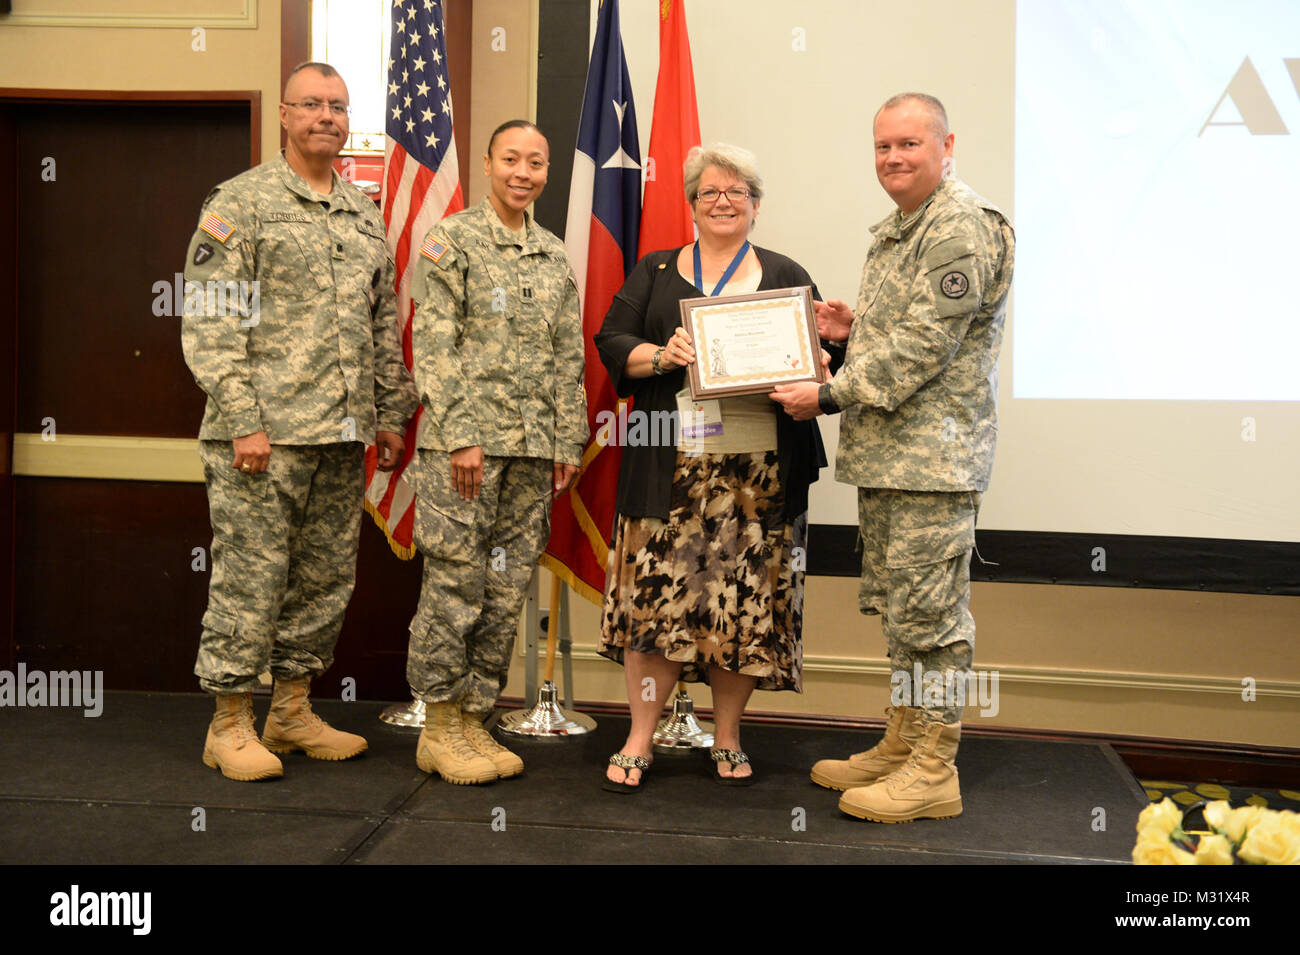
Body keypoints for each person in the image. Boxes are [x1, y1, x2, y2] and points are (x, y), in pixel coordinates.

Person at [772, 93, 1015, 822]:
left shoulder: (958, 226)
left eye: (909, 143)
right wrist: (853, 330)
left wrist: (831, 392)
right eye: (882, 146)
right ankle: (905, 741)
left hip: (931, 466)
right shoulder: (902, 228)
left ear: (947, 146)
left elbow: (924, 348)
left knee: (936, 622)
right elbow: (901, 332)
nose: (893, 158)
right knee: (907, 616)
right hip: (894, 459)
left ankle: (934, 768)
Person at [181, 62, 417, 781]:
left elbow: (381, 321)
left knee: (321, 581)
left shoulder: (360, 209)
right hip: (263, 438)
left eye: (338, 107)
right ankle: (229, 723)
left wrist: (388, 413)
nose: (326, 117)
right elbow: (212, 323)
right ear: (284, 116)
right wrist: (245, 419)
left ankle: (289, 709)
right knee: (252, 579)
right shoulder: (241, 203)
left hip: (341, 436)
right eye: (311, 105)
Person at [595, 144, 830, 791]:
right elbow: (612, 341)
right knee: (654, 611)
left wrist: (814, 364)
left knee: (743, 609)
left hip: (757, 478)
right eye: (709, 192)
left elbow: (821, 357)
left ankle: (726, 735)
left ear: (756, 205)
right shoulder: (657, 269)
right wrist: (660, 354)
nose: (723, 201)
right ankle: (640, 735)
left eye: (737, 192)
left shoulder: (785, 273)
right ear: (692, 204)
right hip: (670, 467)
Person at [405, 120, 587, 785]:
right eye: (511, 158)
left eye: (536, 162)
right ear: (487, 164)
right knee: (455, 585)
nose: (524, 171)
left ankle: (475, 716)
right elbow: (434, 344)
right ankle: (439, 722)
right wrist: (462, 435)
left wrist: (566, 438)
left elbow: (569, 356)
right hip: (466, 451)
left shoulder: (551, 252)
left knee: (505, 591)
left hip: (531, 451)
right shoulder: (451, 241)